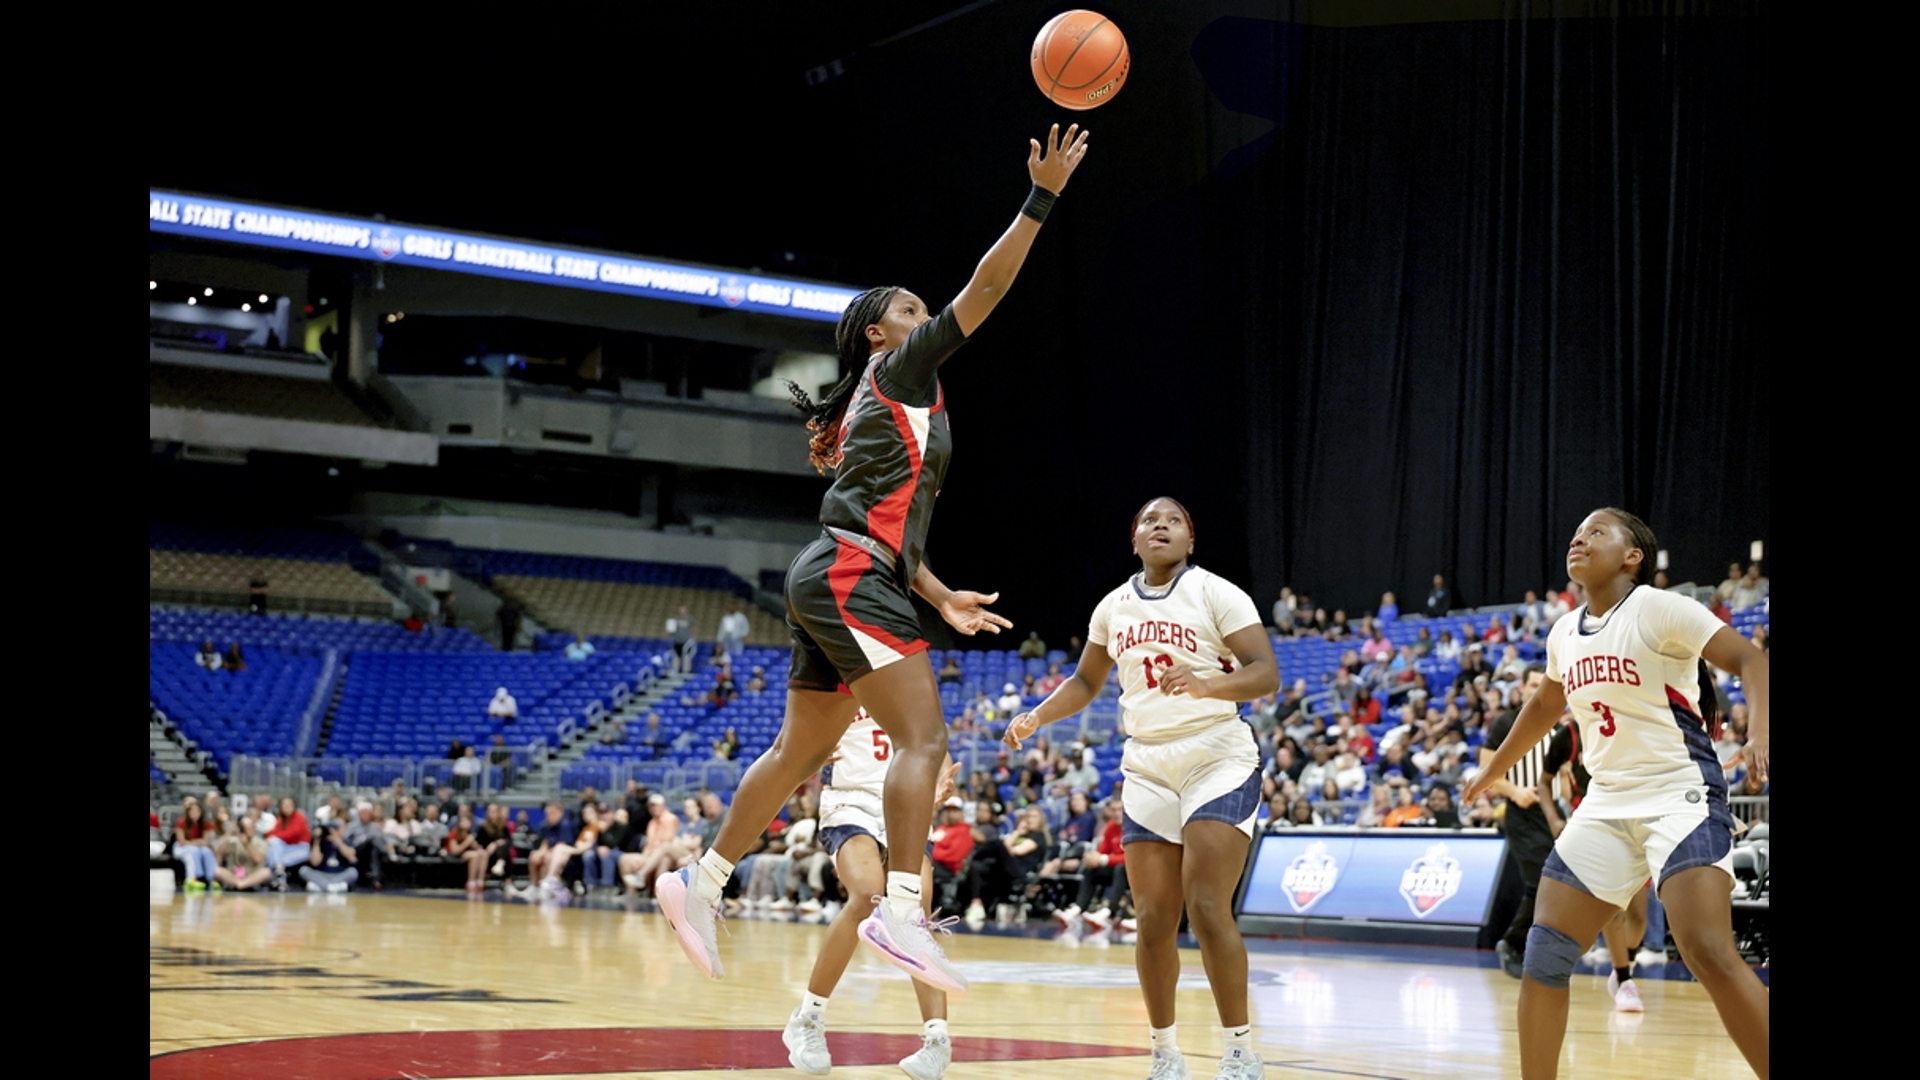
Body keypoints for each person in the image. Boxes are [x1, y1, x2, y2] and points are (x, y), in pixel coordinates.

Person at [656, 122, 1091, 997]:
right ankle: (899, 910)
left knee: (797, 749)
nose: (923, 314)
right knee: (923, 736)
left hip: (838, 568)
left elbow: (885, 522)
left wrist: (936, 591)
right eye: (906, 308)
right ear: (877, 333)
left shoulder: (884, 396)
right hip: (849, 575)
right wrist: (1040, 198)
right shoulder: (901, 369)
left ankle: (697, 884)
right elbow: (989, 284)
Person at [1464, 508, 1770, 1080]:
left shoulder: (1660, 608)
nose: (1579, 539)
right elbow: (1544, 707)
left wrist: (1759, 734)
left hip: (1678, 794)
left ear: (1633, 556)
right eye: (1576, 534)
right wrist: (1492, 770)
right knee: (1545, 956)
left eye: (1597, 532)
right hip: (1605, 804)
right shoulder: (1563, 632)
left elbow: (1751, 659)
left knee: (1707, 949)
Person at [1004, 496, 1277, 1080]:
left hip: (1215, 755)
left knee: (1205, 905)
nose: (1161, 526)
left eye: (1174, 520)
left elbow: (1265, 673)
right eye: (1150, 520)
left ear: (1190, 541)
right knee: (1153, 918)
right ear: (1134, 540)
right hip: (1148, 764)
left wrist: (1205, 684)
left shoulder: (1217, 593)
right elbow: (1084, 681)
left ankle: (1239, 1050)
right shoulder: (1113, 607)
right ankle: (1164, 1051)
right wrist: (1036, 716)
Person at [785, 709, 960, 1077]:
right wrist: (811, 754)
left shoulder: (908, 670)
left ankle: (937, 1041)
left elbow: (931, 733)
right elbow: (796, 738)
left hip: (908, 801)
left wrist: (943, 776)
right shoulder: (836, 665)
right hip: (851, 799)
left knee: (914, 913)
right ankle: (808, 1018)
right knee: (866, 895)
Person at [1483, 667, 1554, 979]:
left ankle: (1537, 946)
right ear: (1522, 688)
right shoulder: (1506, 723)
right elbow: (1486, 770)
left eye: (1544, 685)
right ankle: (1513, 942)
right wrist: (1514, 791)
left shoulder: (1557, 723)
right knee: (1540, 881)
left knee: (1556, 883)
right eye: (1533, 685)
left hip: (1554, 814)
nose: (1538, 690)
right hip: (1521, 813)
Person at [174, 800, 219, 892]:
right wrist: (196, 843)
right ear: (188, 812)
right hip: (181, 847)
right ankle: (194, 878)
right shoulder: (181, 822)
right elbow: (182, 841)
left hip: (198, 846)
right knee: (193, 851)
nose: (195, 813)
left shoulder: (205, 824)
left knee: (207, 851)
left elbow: (206, 841)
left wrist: (196, 843)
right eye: (192, 811)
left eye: (197, 811)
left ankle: (211, 878)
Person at [305, 822, 360, 893]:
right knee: (304, 870)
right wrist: (317, 840)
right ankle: (333, 886)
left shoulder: (347, 841)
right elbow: (315, 862)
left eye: (337, 829)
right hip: (322, 874)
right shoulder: (322, 842)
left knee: (353, 872)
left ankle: (321, 886)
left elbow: (351, 855)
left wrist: (338, 841)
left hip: (340, 874)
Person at [666, 606, 697, 674]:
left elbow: (693, 628)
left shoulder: (689, 619)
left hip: (687, 641)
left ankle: (687, 670)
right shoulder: (675, 619)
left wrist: (692, 637)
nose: (682, 612)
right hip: (677, 640)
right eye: (681, 610)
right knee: (677, 656)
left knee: (687, 656)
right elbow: (671, 629)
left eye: (683, 610)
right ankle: (675, 670)